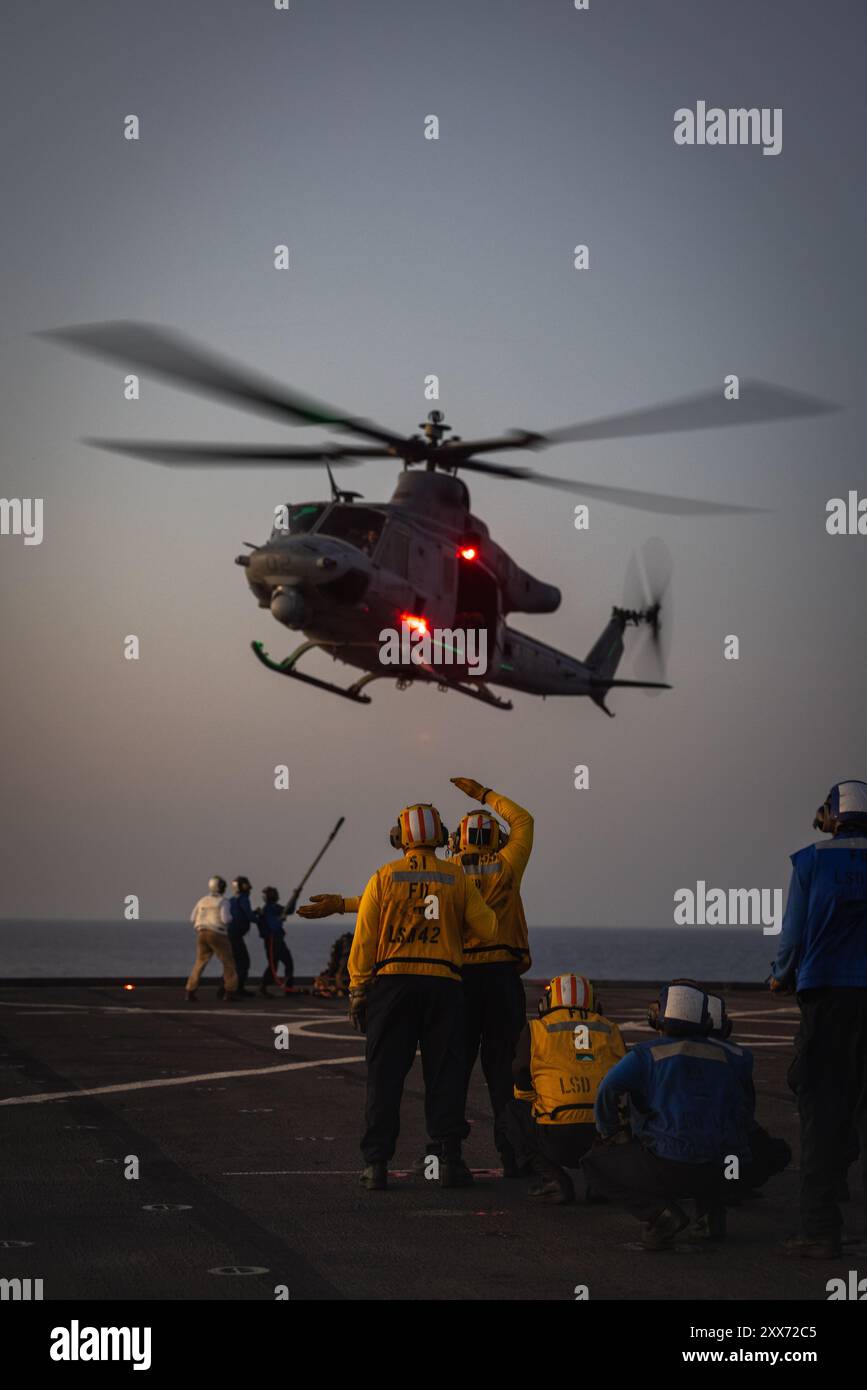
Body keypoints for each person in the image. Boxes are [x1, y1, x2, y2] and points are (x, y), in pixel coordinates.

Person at [299, 776, 535, 1177]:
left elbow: (371, 927)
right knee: (499, 1071)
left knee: (403, 1074)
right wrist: (482, 794)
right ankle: (494, 1155)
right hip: (476, 981)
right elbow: (524, 823)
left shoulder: (403, 874)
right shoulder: (484, 870)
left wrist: (355, 981)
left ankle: (379, 1163)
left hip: (423, 982)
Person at [347, 802, 498, 1191]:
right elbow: (489, 929)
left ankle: (375, 1166)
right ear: (440, 835)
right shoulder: (455, 878)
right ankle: (450, 1161)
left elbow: (364, 940)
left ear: (401, 838)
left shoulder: (384, 876)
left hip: (393, 986)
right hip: (444, 987)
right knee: (445, 1075)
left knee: (384, 1076)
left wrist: (358, 989)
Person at [771, 779, 867, 1259]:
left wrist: (780, 975)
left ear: (833, 815)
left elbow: (793, 935)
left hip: (827, 999)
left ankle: (818, 1228)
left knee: (821, 1112)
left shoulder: (811, 862)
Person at [582, 982, 753, 1249]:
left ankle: (662, 1215)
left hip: (671, 1165)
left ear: (660, 1017)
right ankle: (712, 1215)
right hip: (728, 1170)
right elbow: (746, 1108)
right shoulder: (737, 1056)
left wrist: (610, 1132)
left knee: (594, 1163)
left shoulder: (646, 1055)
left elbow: (608, 1089)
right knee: (717, 1146)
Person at [448, 778, 534, 1177]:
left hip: (459, 979)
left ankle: (448, 1155)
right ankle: (514, 1155)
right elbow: (524, 820)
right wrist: (484, 794)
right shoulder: (508, 864)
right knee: (507, 1073)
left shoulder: (446, 872)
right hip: (501, 976)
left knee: (452, 1069)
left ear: (457, 839)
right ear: (496, 839)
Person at [502, 974, 625, 1203]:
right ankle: (601, 1181)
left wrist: (533, 1101)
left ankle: (553, 1179)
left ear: (548, 1002)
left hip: (556, 1134)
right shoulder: (610, 1029)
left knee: (512, 1113)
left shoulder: (537, 1029)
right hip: (601, 1135)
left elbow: (520, 1072)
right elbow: (626, 1079)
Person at [186, 876, 238, 1002]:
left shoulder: (203, 900)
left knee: (200, 962)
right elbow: (226, 919)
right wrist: (232, 918)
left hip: (201, 933)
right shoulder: (223, 901)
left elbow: (192, 918)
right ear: (220, 887)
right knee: (228, 963)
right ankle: (229, 992)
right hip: (217, 934)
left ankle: (190, 991)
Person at [256, 886, 294, 996]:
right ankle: (268, 986)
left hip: (275, 941)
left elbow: (288, 910)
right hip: (273, 941)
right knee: (280, 964)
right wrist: (280, 920)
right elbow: (274, 926)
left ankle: (267, 986)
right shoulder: (269, 909)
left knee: (280, 964)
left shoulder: (273, 907)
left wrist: (295, 896)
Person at [224, 875, 255, 998]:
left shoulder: (231, 900)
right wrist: (259, 918)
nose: (249, 888)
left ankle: (227, 986)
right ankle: (238, 988)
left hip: (229, 935)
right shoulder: (243, 899)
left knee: (233, 962)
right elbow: (250, 916)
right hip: (236, 936)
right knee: (244, 962)